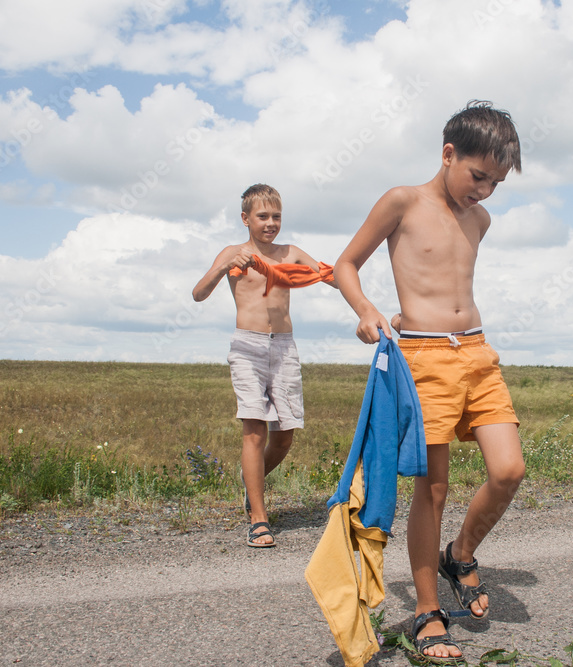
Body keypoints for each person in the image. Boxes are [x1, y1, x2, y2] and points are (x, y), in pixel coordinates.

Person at [334, 101, 525, 663]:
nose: (485, 191)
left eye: (495, 182)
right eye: (478, 176)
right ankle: (426, 610)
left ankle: (460, 554)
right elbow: (346, 264)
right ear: (448, 154)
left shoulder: (480, 220)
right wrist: (369, 310)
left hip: (478, 354)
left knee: (509, 470)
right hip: (424, 361)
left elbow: (451, 283)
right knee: (433, 490)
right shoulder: (403, 200)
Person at [193, 183, 335, 548]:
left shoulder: (290, 253)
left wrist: (342, 275)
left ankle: (250, 482)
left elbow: (330, 275)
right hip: (248, 346)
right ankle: (258, 518)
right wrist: (225, 264)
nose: (270, 223)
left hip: (284, 347)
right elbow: (198, 293)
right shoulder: (234, 253)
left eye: (276, 216)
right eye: (263, 216)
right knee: (254, 430)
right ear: (246, 219)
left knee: (284, 436)